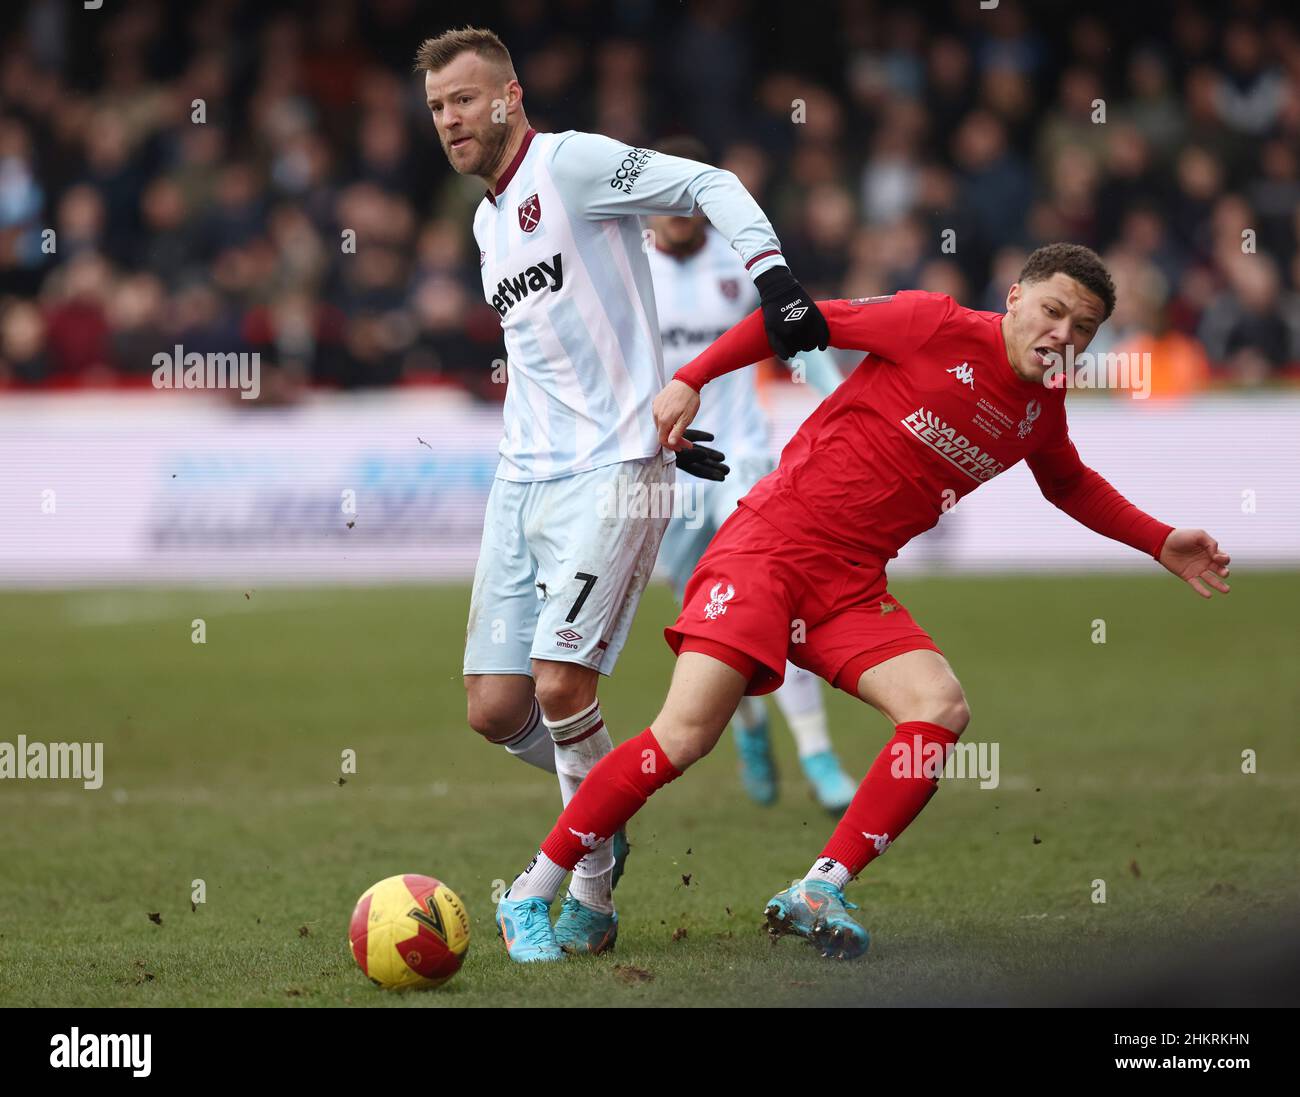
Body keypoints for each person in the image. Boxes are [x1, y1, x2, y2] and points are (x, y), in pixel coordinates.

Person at [495, 242, 1231, 962]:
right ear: (1013, 297)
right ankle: (530, 891)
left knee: (939, 706)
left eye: (1084, 328)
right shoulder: (933, 323)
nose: (1063, 335)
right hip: (770, 547)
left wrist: (1160, 539)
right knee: (683, 737)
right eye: (1053, 311)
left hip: (850, 583)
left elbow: (1066, 482)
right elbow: (794, 318)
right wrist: (692, 377)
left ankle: (819, 887)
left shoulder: (1043, 404)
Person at [416, 27, 829, 957]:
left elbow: (710, 183)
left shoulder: (573, 167)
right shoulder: (486, 221)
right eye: (439, 107)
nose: (451, 120)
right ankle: (603, 807)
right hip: (522, 477)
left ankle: (585, 899)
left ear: (512, 96)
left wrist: (775, 282)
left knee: (562, 681)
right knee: (494, 707)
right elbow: (552, 358)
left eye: (467, 100)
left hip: (611, 475)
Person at [646, 136, 857, 813]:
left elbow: (798, 334)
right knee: (709, 620)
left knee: (770, 599)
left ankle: (819, 752)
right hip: (671, 471)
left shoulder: (742, 262)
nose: (678, 210)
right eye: (666, 197)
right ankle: (752, 726)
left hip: (742, 455)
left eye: (689, 196)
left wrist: (845, 402)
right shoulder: (626, 270)